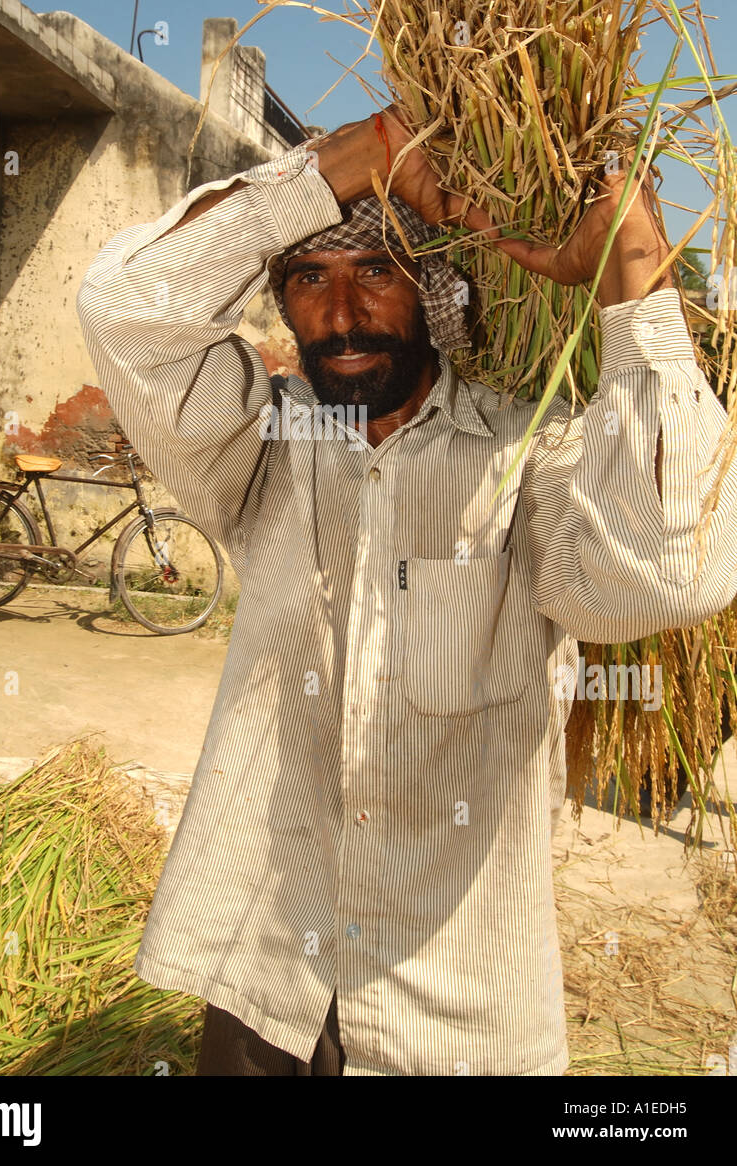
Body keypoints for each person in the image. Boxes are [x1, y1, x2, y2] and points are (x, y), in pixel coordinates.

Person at [76, 107, 737, 1076]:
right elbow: (120, 309)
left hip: (454, 1027)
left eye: (374, 272)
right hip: (268, 995)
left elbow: (675, 566)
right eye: (308, 278)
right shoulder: (260, 452)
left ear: (431, 290)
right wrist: (361, 157)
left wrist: (633, 271)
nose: (338, 313)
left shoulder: (526, 458)